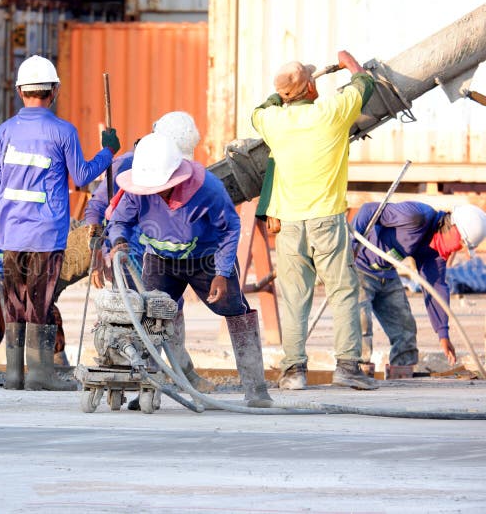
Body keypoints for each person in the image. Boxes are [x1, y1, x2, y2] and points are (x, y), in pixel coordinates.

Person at [106, 132, 273, 408]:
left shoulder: (208, 189)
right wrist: (119, 241)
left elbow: (230, 228)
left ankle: (256, 390)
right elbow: (119, 221)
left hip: (207, 259)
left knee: (235, 310)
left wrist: (221, 272)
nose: (155, 193)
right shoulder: (138, 190)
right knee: (151, 315)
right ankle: (149, 389)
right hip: (161, 260)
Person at [0, 54, 120, 391]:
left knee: (16, 301)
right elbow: (81, 176)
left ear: (20, 91)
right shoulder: (63, 131)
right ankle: (40, 375)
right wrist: (107, 152)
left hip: (10, 233)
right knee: (41, 301)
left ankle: (14, 376)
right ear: (55, 91)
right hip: (46, 233)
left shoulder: (3, 132)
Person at [251, 50, 377, 390]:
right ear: (310, 87)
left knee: (294, 298)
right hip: (326, 220)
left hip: (290, 223)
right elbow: (364, 84)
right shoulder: (331, 113)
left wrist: (284, 92)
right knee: (343, 291)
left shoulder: (273, 121)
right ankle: (348, 367)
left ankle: (294, 372)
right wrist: (351, 63)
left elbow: (261, 109)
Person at [84, 111, 215, 392]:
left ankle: (180, 373)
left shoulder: (182, 171)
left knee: (169, 311)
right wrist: (97, 251)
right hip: (129, 256)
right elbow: (96, 208)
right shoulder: (128, 165)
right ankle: (146, 376)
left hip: (163, 257)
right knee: (135, 318)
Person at [353, 201, 486, 378]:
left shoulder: (434, 251)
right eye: (461, 242)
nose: (460, 249)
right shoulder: (416, 217)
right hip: (360, 268)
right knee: (360, 324)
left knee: (406, 331)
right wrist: (351, 244)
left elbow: (436, 287)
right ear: (452, 227)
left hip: (387, 274)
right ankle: (358, 378)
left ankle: (400, 381)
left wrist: (443, 334)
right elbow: (368, 210)